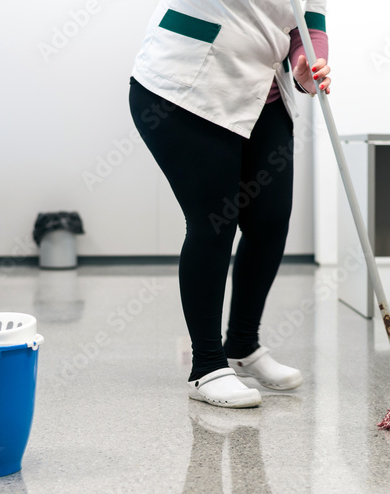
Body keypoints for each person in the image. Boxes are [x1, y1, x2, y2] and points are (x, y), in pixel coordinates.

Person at [129, 1, 331, 409]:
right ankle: (206, 367)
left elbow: (306, 24)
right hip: (187, 87)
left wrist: (308, 65)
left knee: (270, 222)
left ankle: (242, 344)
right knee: (213, 223)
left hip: (264, 92)